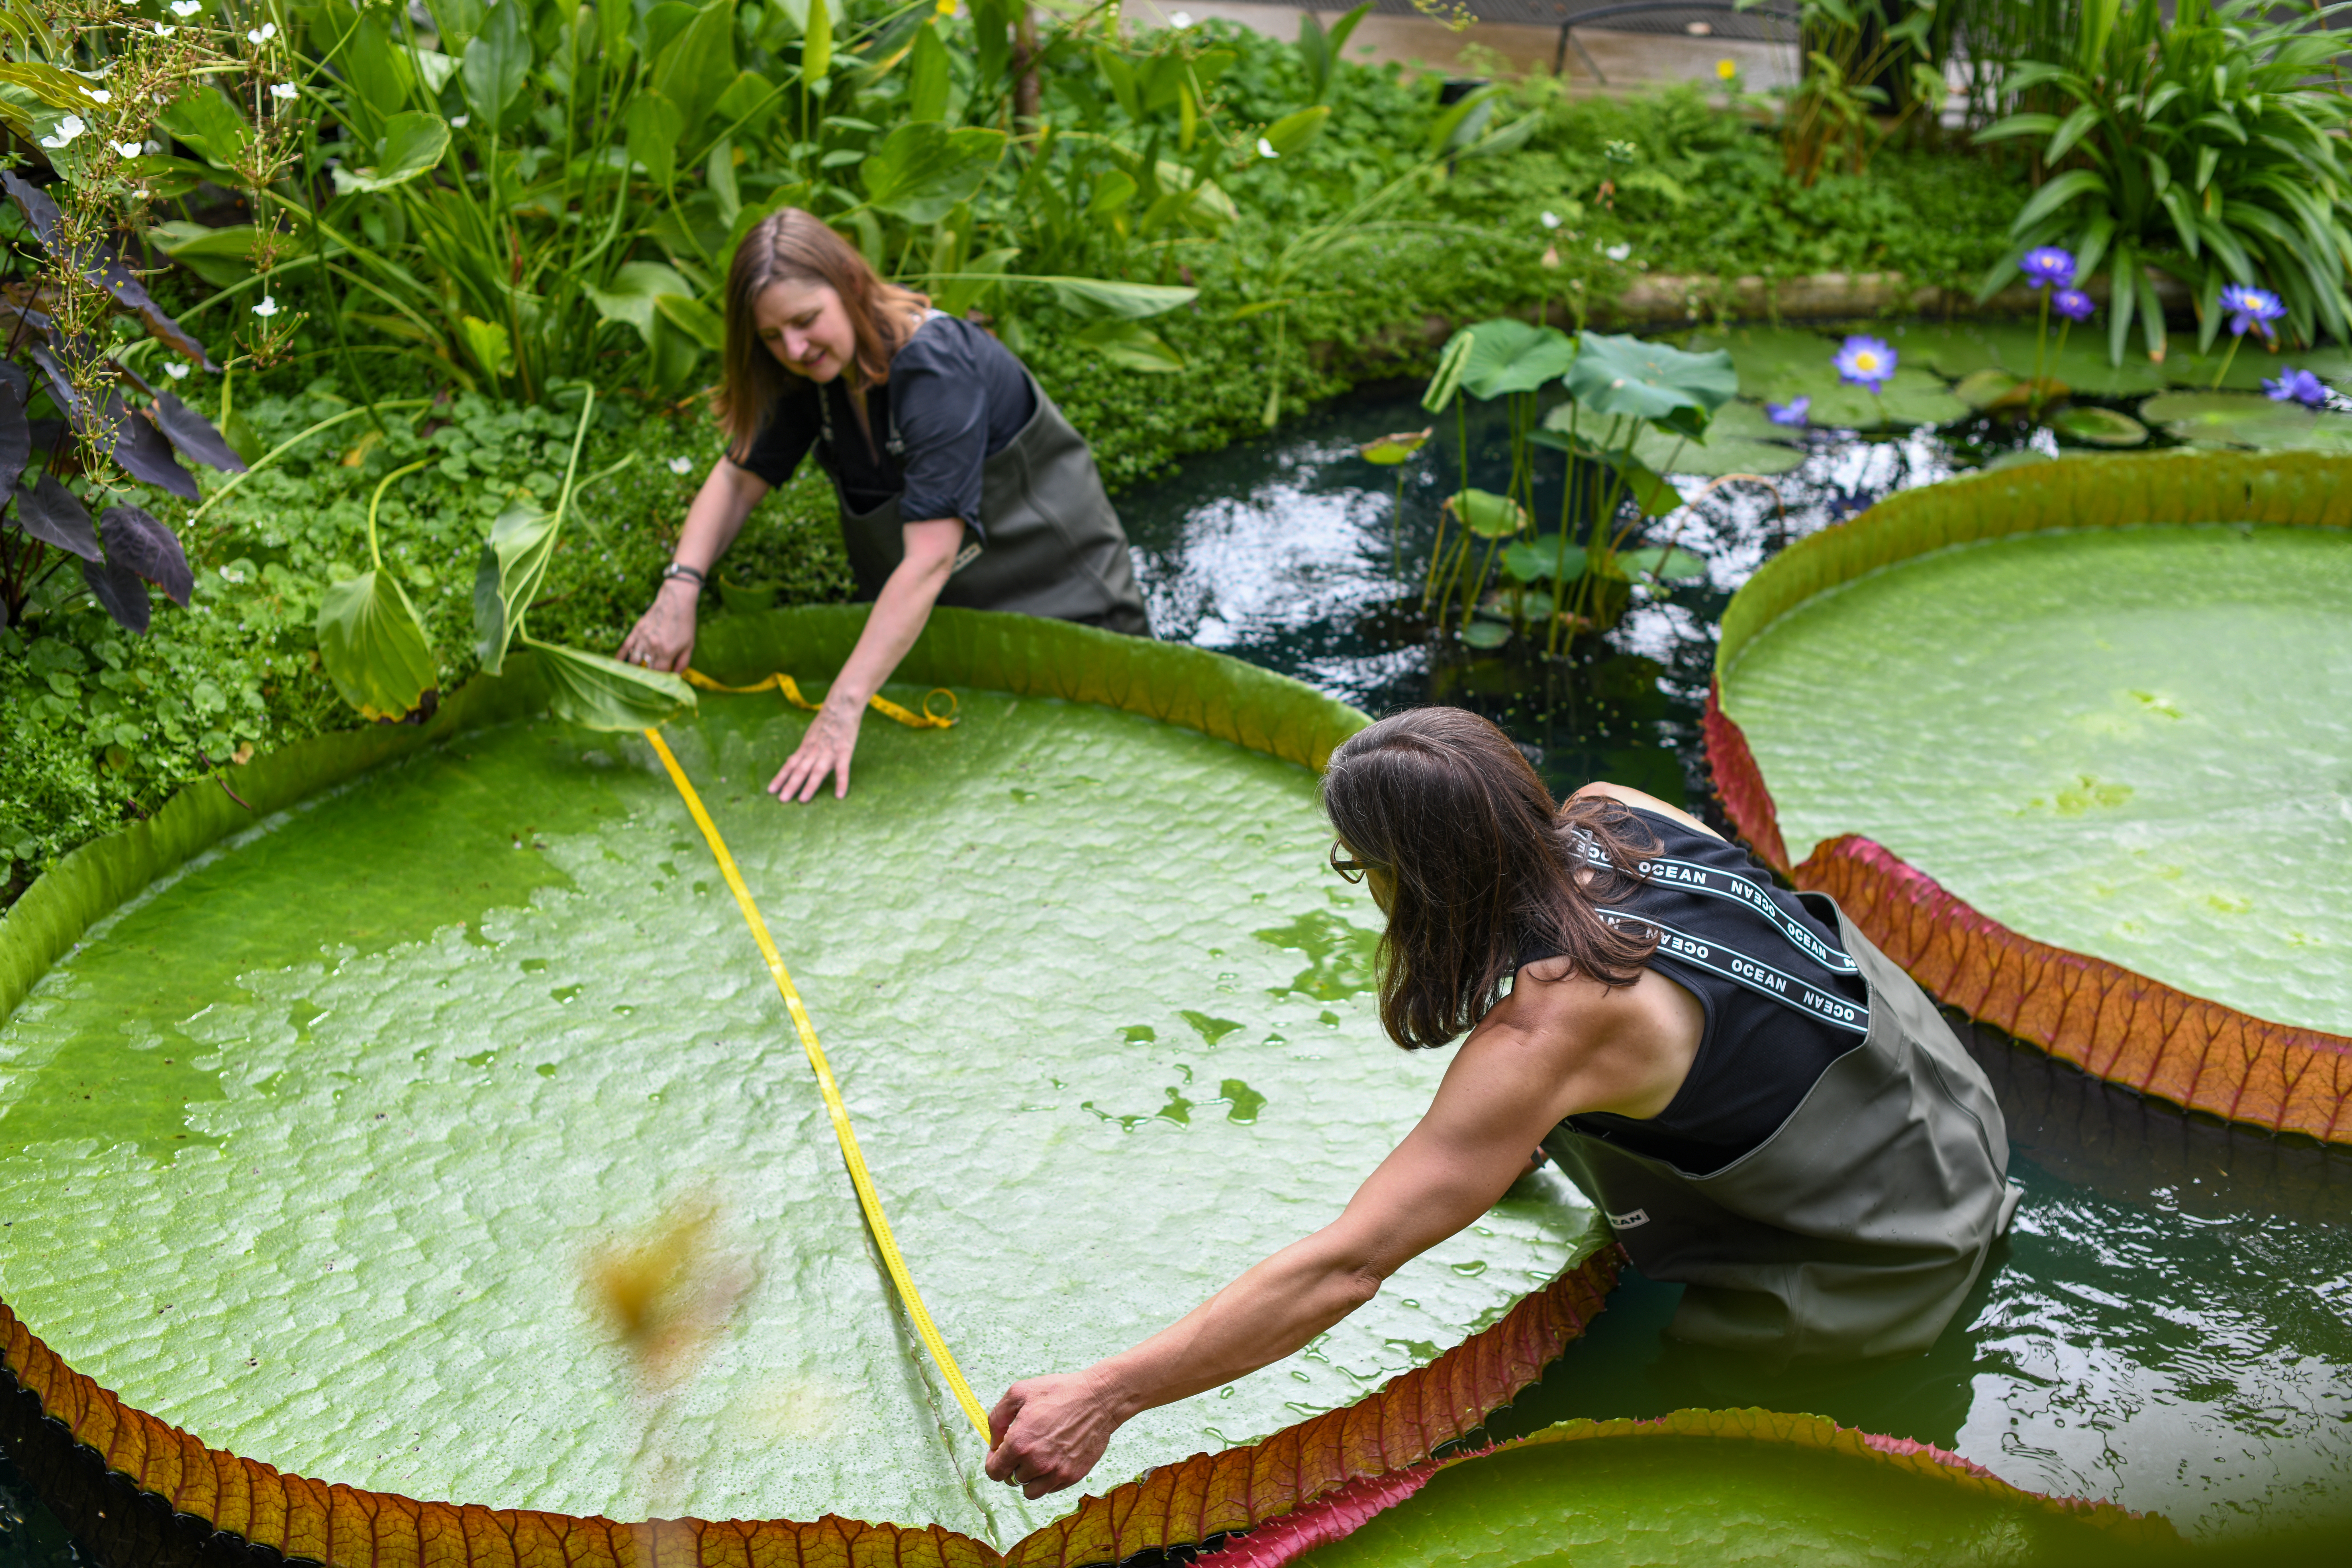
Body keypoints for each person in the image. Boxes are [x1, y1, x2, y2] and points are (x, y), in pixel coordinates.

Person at [981, 707, 2018, 1498]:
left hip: (1886, 1256)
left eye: (1360, 867)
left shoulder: (1549, 1032)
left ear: (1412, 878)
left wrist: (1106, 1394)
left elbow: (1347, 1266)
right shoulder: (1619, 810)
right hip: (1952, 1116)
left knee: (1675, 1473)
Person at [617, 209, 1151, 802]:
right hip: (940, 644)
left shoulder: (936, 367)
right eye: (771, 336)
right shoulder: (811, 372)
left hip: (1068, 618)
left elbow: (929, 558)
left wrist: (841, 709)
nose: (793, 347)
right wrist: (680, 588)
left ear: (849, 284)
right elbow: (739, 480)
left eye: (806, 320)